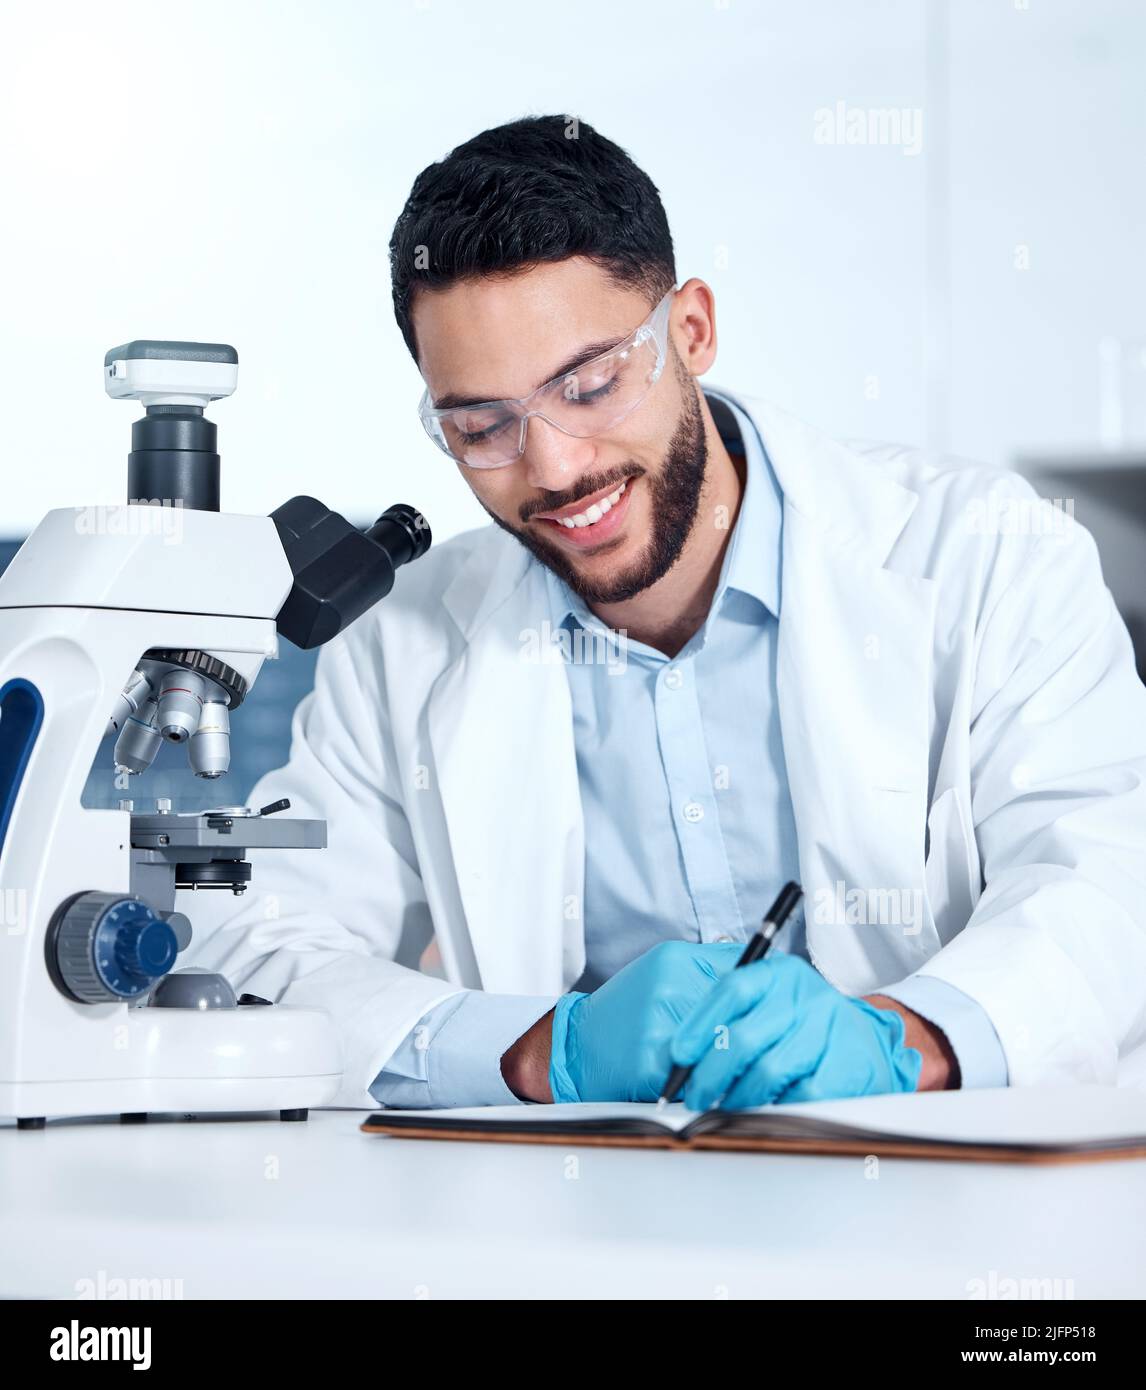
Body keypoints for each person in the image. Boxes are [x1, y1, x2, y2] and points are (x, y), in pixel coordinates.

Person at [186, 115, 1146, 1111]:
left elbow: (1113, 884)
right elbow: (258, 940)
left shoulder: (986, 553)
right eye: (482, 425)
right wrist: (537, 1052)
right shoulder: (405, 641)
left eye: (591, 385)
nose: (555, 467)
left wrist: (905, 1042)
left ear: (691, 330)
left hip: (961, 1218)